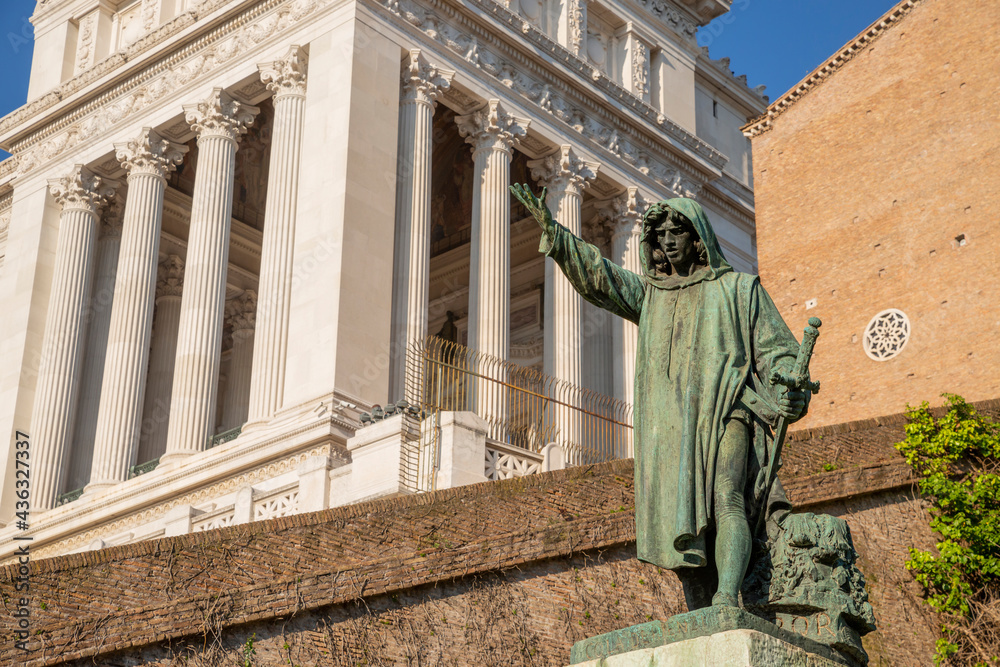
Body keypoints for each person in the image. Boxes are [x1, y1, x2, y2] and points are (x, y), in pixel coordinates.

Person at [510, 184, 809, 609]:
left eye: (677, 231)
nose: (667, 240)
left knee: (727, 495)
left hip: (729, 410)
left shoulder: (740, 290)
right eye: (660, 234)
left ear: (697, 237)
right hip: (672, 426)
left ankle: (727, 598)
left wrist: (788, 389)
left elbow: (779, 353)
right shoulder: (652, 295)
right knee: (679, 521)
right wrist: (557, 236)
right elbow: (601, 278)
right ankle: (699, 610)